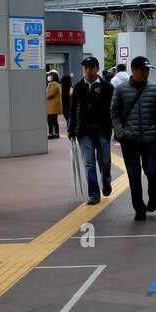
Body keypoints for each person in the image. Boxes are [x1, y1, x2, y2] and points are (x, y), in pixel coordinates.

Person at [111, 56, 156, 221]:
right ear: (133, 70)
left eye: (147, 70)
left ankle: (153, 195)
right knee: (133, 174)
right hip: (128, 140)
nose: (145, 73)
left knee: (152, 171)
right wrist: (120, 132)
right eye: (142, 70)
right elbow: (114, 112)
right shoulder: (121, 90)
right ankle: (139, 208)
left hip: (150, 138)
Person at [68, 57, 114, 205]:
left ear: (97, 69)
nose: (88, 70)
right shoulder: (78, 87)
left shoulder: (107, 87)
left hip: (102, 129)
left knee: (105, 161)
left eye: (91, 67)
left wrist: (114, 127)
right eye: (85, 67)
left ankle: (106, 182)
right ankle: (94, 194)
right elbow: (72, 110)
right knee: (89, 163)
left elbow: (113, 109)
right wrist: (70, 131)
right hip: (84, 131)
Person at [46, 71, 63, 138]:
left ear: (54, 77)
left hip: (53, 106)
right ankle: (53, 133)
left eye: (50, 75)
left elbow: (50, 95)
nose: (49, 77)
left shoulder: (54, 84)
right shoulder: (52, 83)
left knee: (52, 120)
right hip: (51, 106)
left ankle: (54, 133)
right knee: (52, 120)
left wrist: (45, 95)